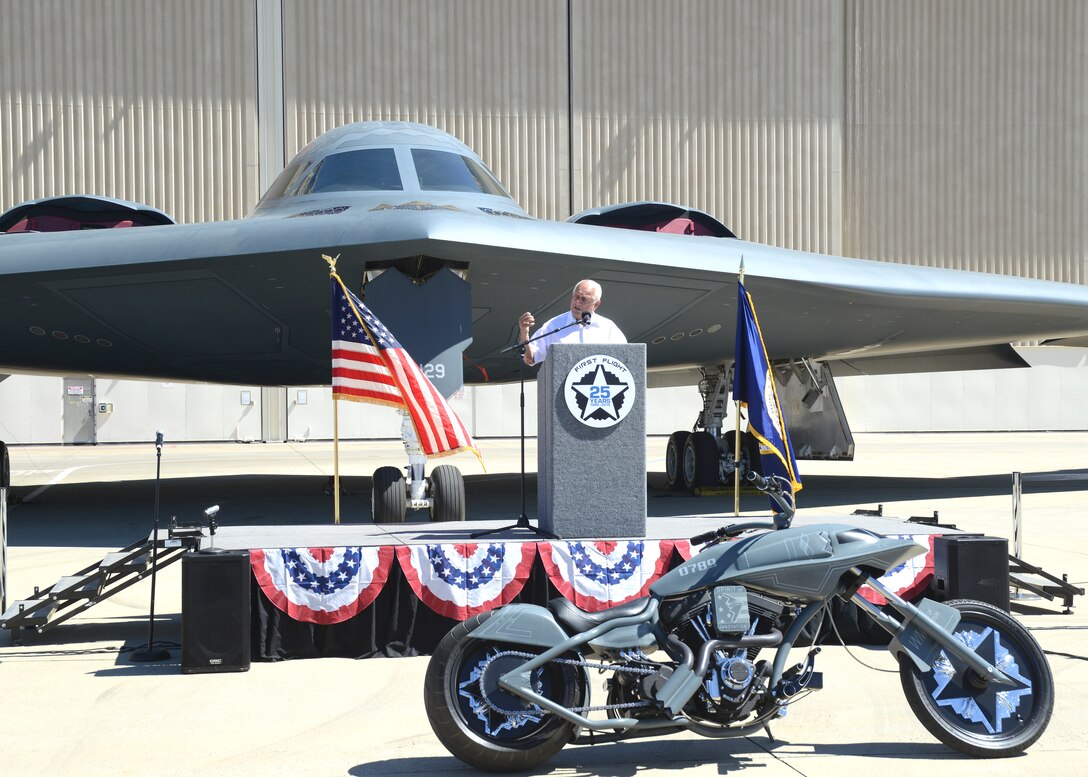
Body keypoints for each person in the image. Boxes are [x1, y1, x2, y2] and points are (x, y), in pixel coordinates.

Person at [517, 279, 626, 365]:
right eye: (576, 297)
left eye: (584, 299)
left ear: (596, 304)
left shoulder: (608, 327)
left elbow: (626, 357)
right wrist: (524, 334)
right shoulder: (554, 325)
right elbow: (530, 359)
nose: (578, 302)